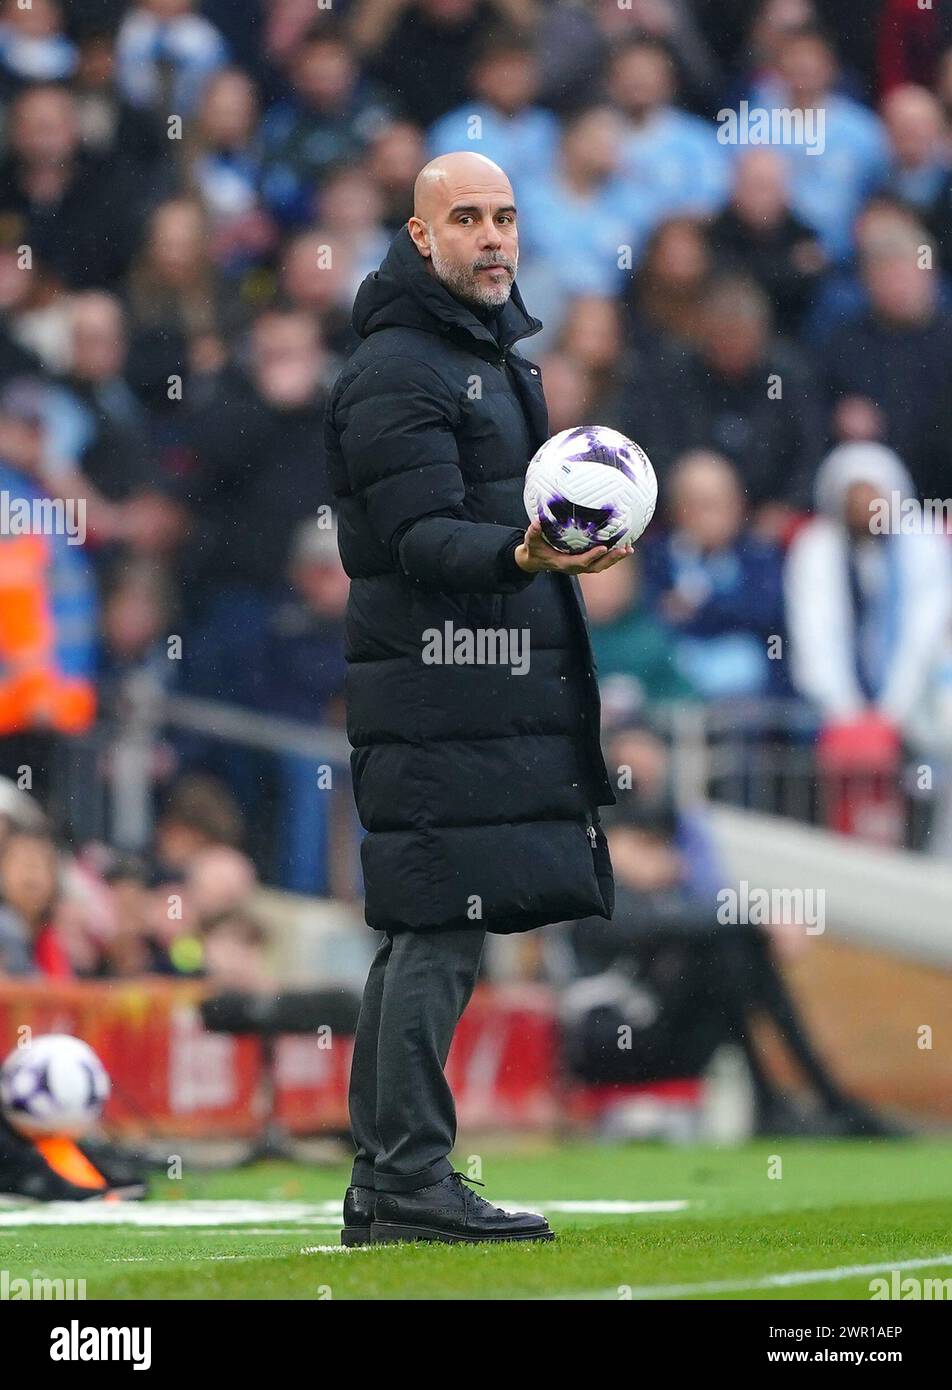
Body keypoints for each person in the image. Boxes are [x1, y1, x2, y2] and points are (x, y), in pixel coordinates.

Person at [326, 151, 628, 1244]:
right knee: (436, 927)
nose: (493, 236)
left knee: (431, 927)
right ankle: (407, 1178)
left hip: (471, 686)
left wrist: (528, 556)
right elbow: (416, 538)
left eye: (504, 215)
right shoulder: (403, 368)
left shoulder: (484, 357)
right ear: (420, 237)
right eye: (465, 218)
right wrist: (524, 552)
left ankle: (386, 1180)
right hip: (435, 684)